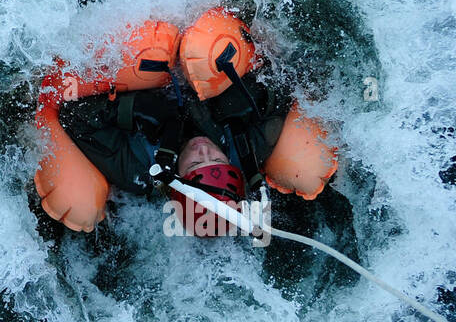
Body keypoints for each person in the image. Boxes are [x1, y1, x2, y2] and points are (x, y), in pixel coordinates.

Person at [55, 37, 361, 292]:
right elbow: (293, 83)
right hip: (204, 56)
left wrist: (139, 107)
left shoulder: (137, 169)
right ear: (231, 165)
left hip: (147, 68)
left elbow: (75, 118)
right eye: (215, 159)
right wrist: (246, 93)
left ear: (178, 177)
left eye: (197, 164)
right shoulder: (248, 148)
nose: (204, 150)